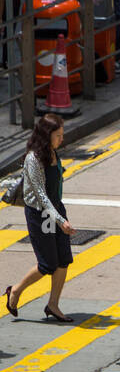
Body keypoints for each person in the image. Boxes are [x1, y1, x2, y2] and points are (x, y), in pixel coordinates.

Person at [5, 115, 76, 324]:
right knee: (48, 264)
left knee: (64, 259)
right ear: (46, 136)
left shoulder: (53, 153)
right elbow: (41, 196)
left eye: (62, 135)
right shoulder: (33, 159)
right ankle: (15, 291)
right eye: (58, 136)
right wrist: (60, 221)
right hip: (41, 214)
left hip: (56, 210)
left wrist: (61, 216)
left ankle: (53, 304)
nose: (61, 139)